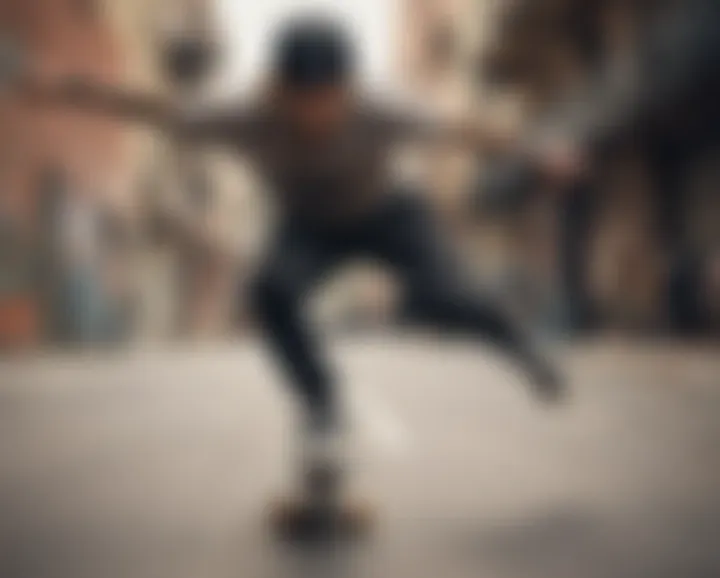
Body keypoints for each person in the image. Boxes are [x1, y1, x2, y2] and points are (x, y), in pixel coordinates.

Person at [8, 16, 576, 440]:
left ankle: (523, 351)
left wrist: (538, 152)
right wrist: (65, 89)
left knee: (444, 299)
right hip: (308, 225)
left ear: (348, 88)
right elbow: (153, 106)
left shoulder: (382, 107)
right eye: (299, 100)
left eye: (327, 100)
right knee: (269, 291)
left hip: (390, 215)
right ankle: (322, 405)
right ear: (275, 88)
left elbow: (465, 130)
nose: (313, 114)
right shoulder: (240, 111)